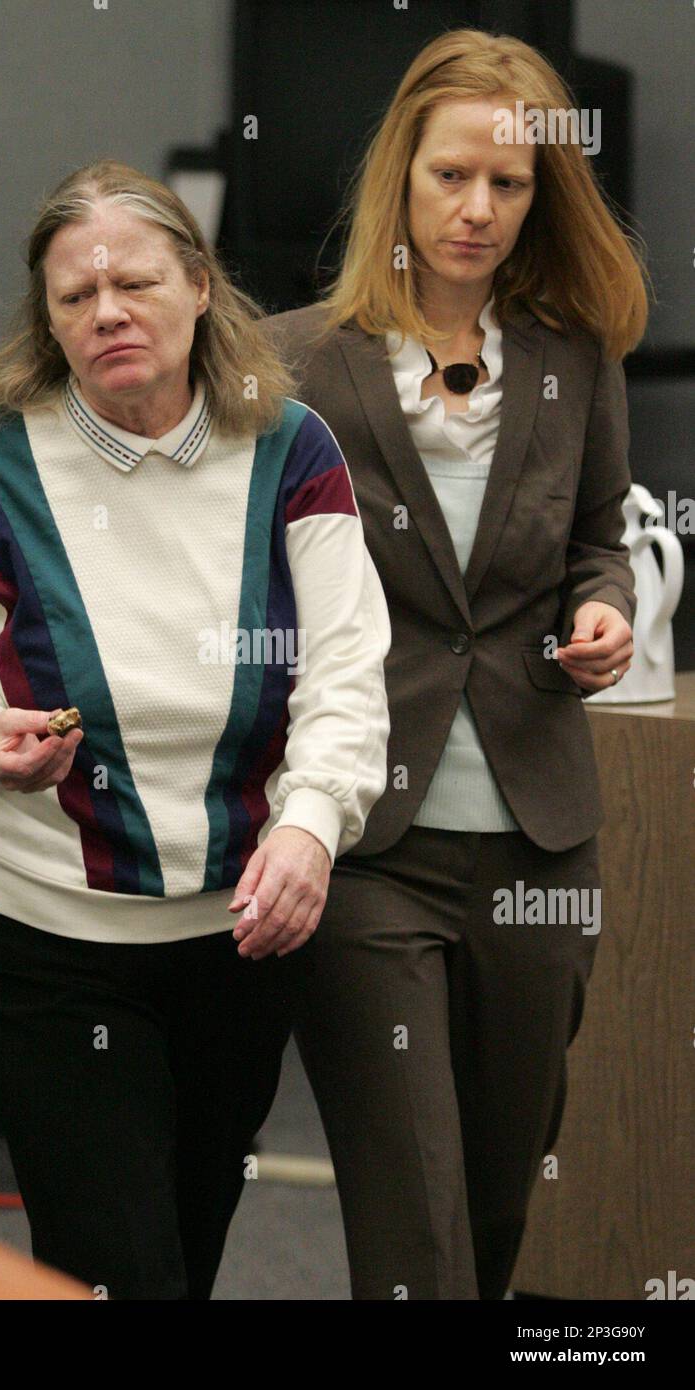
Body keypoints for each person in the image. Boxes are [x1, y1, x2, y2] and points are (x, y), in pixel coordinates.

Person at [0, 158, 391, 1300]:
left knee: (186, 1255)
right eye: (74, 296)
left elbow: (348, 668)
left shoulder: (293, 451)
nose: (107, 311)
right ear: (47, 321)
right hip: (42, 935)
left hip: (238, 937)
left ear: (200, 286)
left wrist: (311, 825)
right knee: (120, 1267)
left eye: (137, 282)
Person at [264, 28, 648, 1300]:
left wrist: (605, 608)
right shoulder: (300, 361)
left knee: (494, 1210)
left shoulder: (573, 352)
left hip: (539, 843)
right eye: (451, 178)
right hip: (372, 845)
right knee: (416, 1219)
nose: (477, 211)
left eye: (512, 186)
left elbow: (596, 539)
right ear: (402, 176)